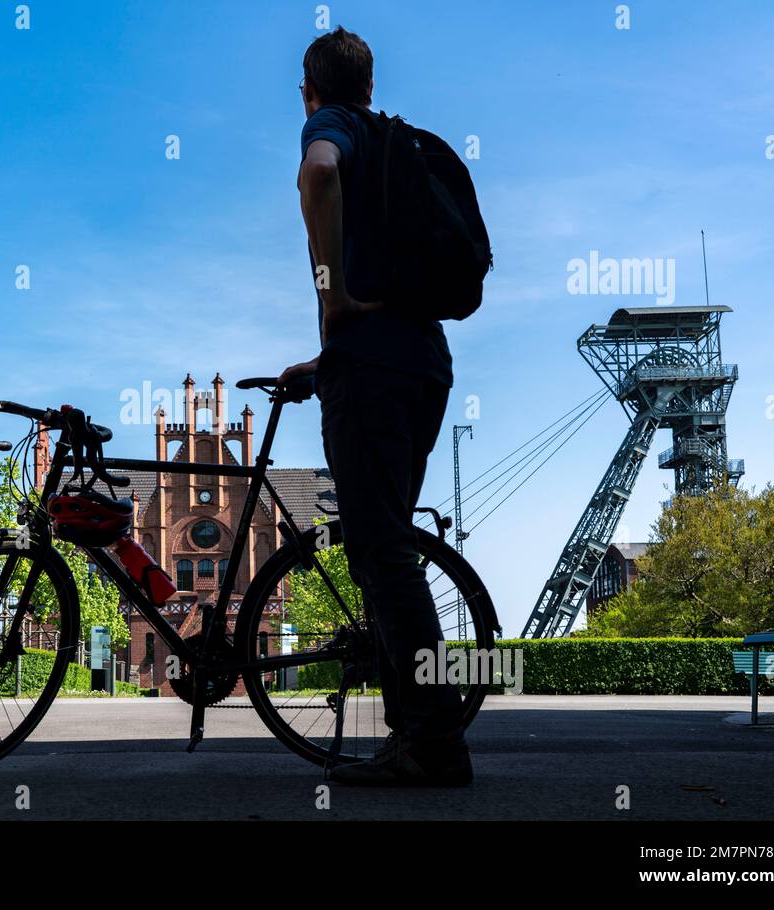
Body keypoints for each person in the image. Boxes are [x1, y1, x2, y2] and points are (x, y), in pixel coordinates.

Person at [279, 26, 472, 786]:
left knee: (384, 553)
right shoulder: (399, 141)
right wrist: (332, 352)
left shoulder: (331, 129)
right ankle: (413, 737)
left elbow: (317, 177)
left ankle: (432, 742)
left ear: (310, 89)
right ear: (371, 81)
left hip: (374, 366)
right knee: (382, 545)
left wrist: (333, 304)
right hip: (423, 360)